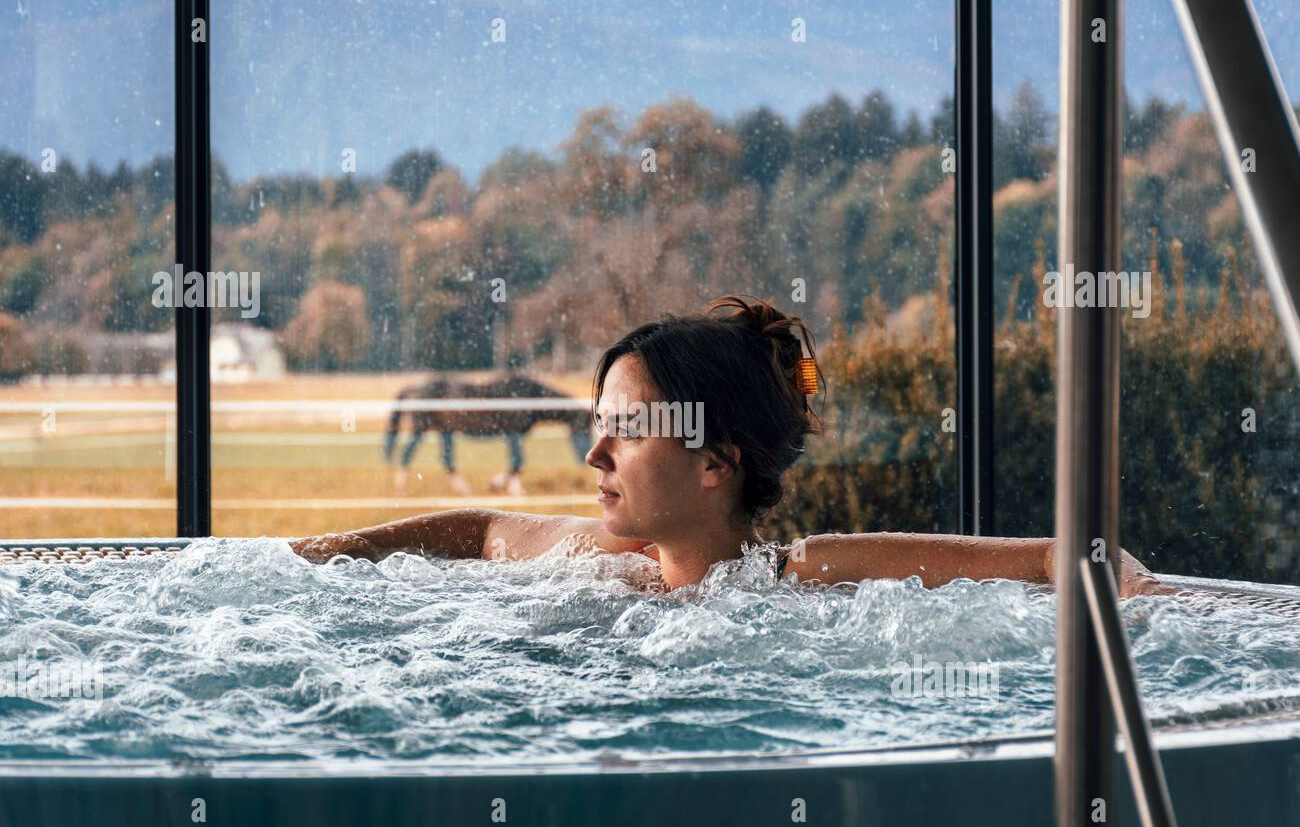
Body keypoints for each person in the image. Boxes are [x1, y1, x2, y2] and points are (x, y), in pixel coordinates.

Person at [291, 294, 1167, 598]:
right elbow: (480, 529)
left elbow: (1053, 560)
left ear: (717, 462)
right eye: (599, 427)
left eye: (625, 431)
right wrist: (330, 553)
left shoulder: (808, 574)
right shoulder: (599, 559)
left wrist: (1114, 575)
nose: (594, 456)